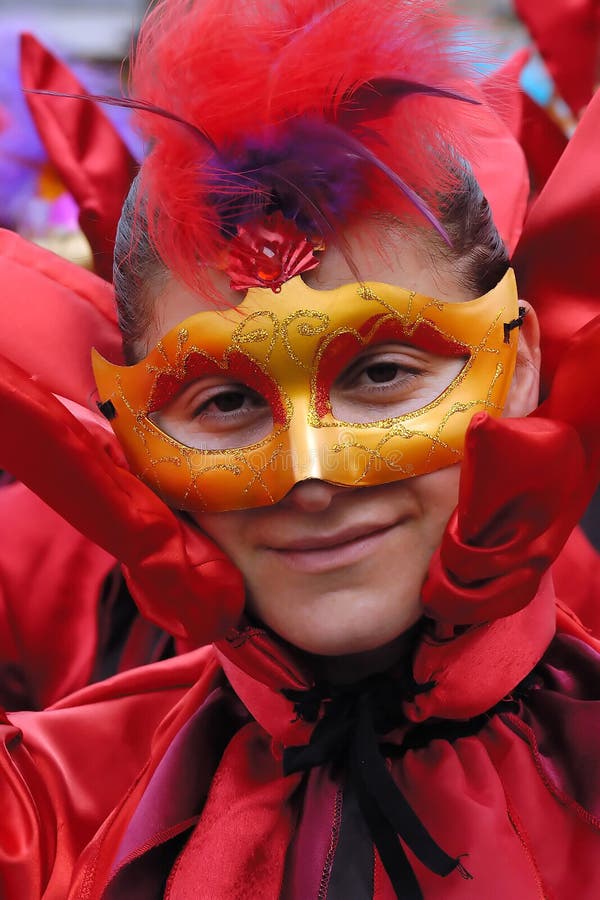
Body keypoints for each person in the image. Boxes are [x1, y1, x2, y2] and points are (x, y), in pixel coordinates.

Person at [1, 1, 600, 898]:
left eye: (384, 374)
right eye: (227, 399)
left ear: (516, 368)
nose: (311, 474)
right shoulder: (52, 808)